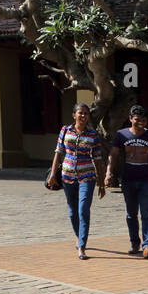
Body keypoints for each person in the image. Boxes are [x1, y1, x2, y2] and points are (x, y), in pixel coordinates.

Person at [51, 103, 106, 260]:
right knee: (72, 211)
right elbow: (58, 152)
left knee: (83, 210)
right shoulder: (65, 130)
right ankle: (78, 235)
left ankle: (82, 245)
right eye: (80, 113)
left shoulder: (93, 135)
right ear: (74, 115)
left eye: (86, 113)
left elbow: (98, 159)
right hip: (67, 175)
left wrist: (101, 183)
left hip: (87, 176)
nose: (83, 116)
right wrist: (53, 173)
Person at [107, 105, 148, 258]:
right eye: (137, 119)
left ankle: (147, 245)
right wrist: (108, 173)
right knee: (131, 214)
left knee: (146, 214)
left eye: (144, 120)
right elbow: (113, 155)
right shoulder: (121, 135)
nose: (141, 123)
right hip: (128, 180)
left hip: (147, 181)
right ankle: (135, 243)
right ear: (130, 119)